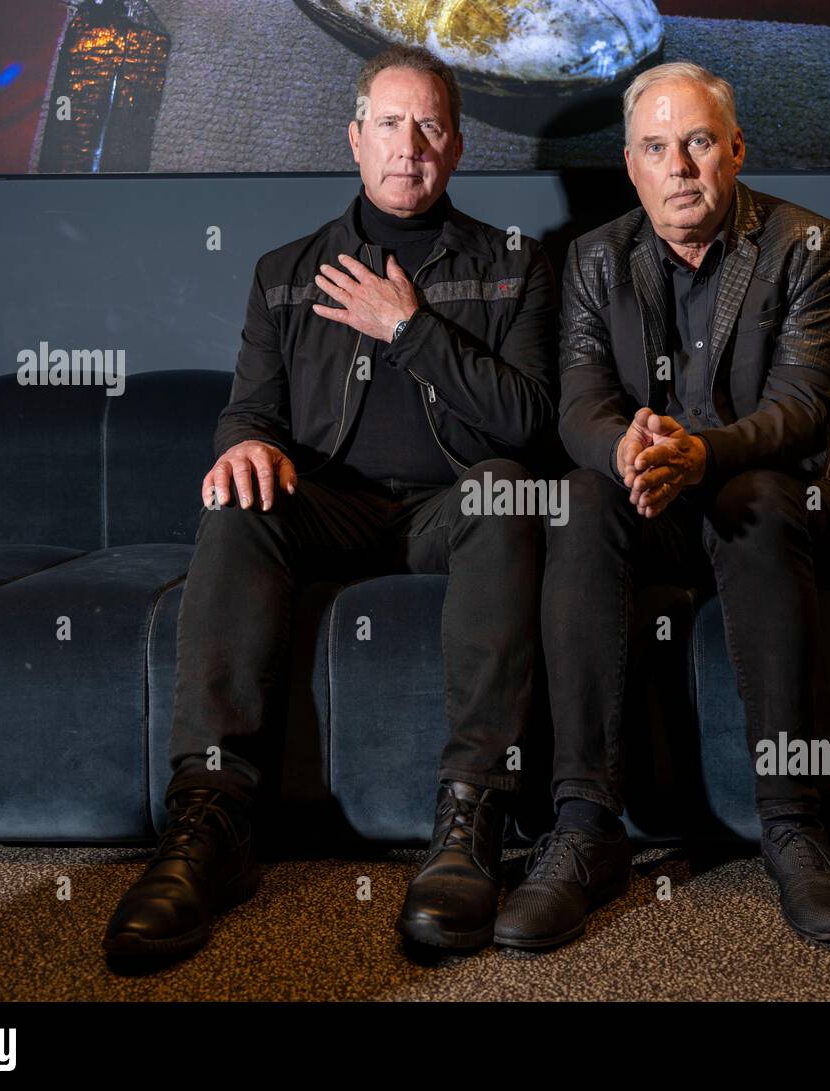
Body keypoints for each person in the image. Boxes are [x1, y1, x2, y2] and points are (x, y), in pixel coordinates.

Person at [103, 44, 558, 960]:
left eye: (430, 127)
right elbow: (249, 409)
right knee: (236, 501)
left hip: (452, 510)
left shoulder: (519, 265)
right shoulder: (285, 272)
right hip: (329, 504)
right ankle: (209, 824)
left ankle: (470, 819)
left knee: (511, 486)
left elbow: (532, 419)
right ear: (354, 139)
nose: (409, 147)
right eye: (389, 124)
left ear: (457, 147)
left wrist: (412, 331)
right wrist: (245, 445)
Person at [495, 61, 830, 950]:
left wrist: (701, 453)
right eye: (656, 148)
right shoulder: (594, 259)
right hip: (640, 505)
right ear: (631, 164)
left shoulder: (807, 245)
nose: (679, 166)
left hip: (758, 495)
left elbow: (799, 407)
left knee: (757, 492)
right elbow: (577, 400)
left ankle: (793, 821)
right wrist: (623, 448)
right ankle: (584, 830)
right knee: (579, 494)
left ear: (734, 149)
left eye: (696, 142)